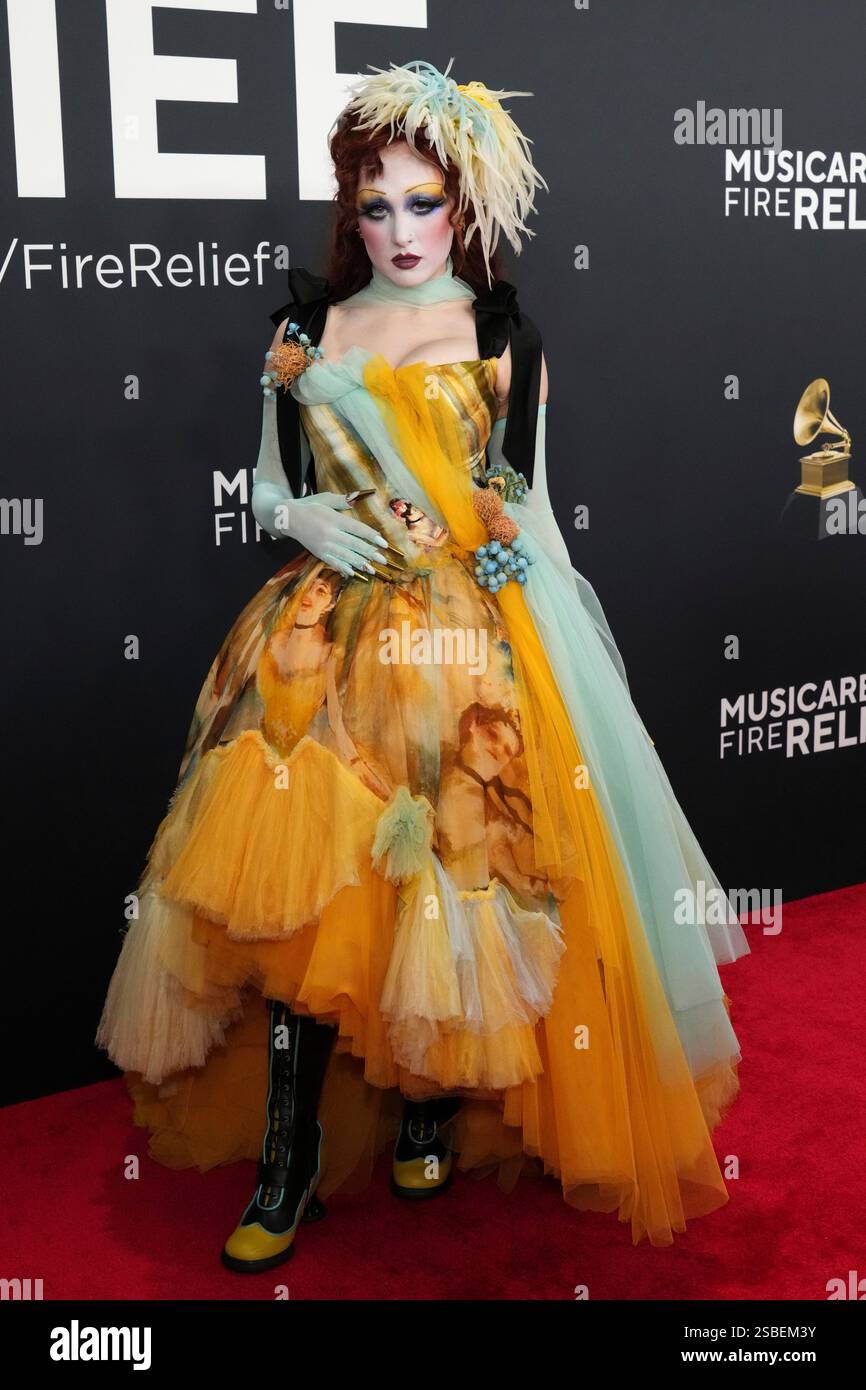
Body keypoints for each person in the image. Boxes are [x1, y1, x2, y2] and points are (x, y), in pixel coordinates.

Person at [96, 58, 750, 1271]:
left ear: (465, 206)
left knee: (454, 884)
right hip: (320, 645)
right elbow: (265, 481)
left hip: (465, 647)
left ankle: (430, 1106)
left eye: (422, 202)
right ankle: (285, 1169)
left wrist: (549, 632)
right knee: (307, 909)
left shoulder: (503, 335)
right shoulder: (306, 329)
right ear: (349, 213)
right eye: (374, 204)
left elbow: (533, 511)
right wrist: (299, 521)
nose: (398, 229)